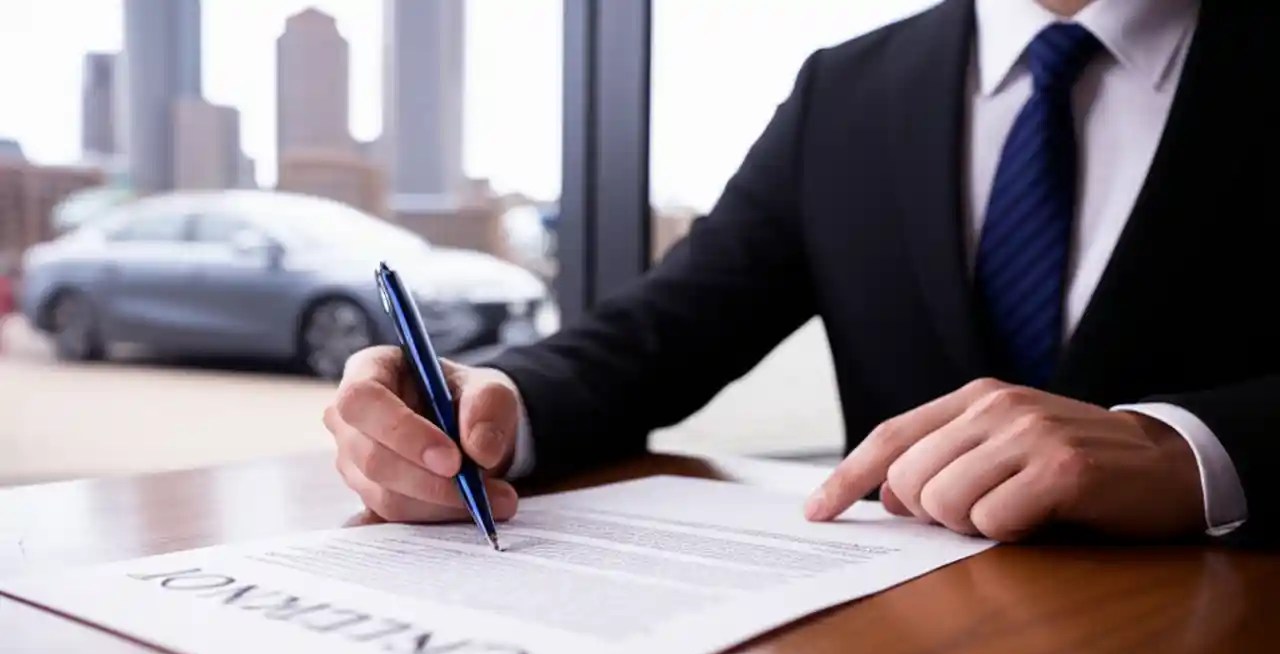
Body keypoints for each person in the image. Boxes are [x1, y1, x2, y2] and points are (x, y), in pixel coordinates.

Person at [325, 0, 1278, 542]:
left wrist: (1194, 449)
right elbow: (664, 330)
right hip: (894, 648)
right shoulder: (848, 91)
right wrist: (490, 404)